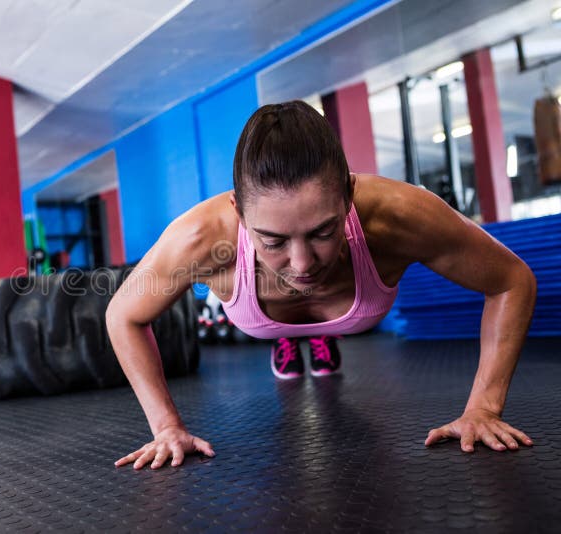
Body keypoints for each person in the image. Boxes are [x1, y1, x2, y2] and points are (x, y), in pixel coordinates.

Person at [105, 100, 536, 470]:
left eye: (323, 232)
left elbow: (511, 280)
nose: (301, 263)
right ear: (237, 210)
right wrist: (165, 427)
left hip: (347, 308)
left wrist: (483, 408)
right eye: (272, 241)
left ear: (349, 194)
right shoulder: (200, 237)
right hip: (262, 318)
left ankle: (321, 332)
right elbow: (122, 315)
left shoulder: (398, 215)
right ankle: (291, 337)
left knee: (322, 322)